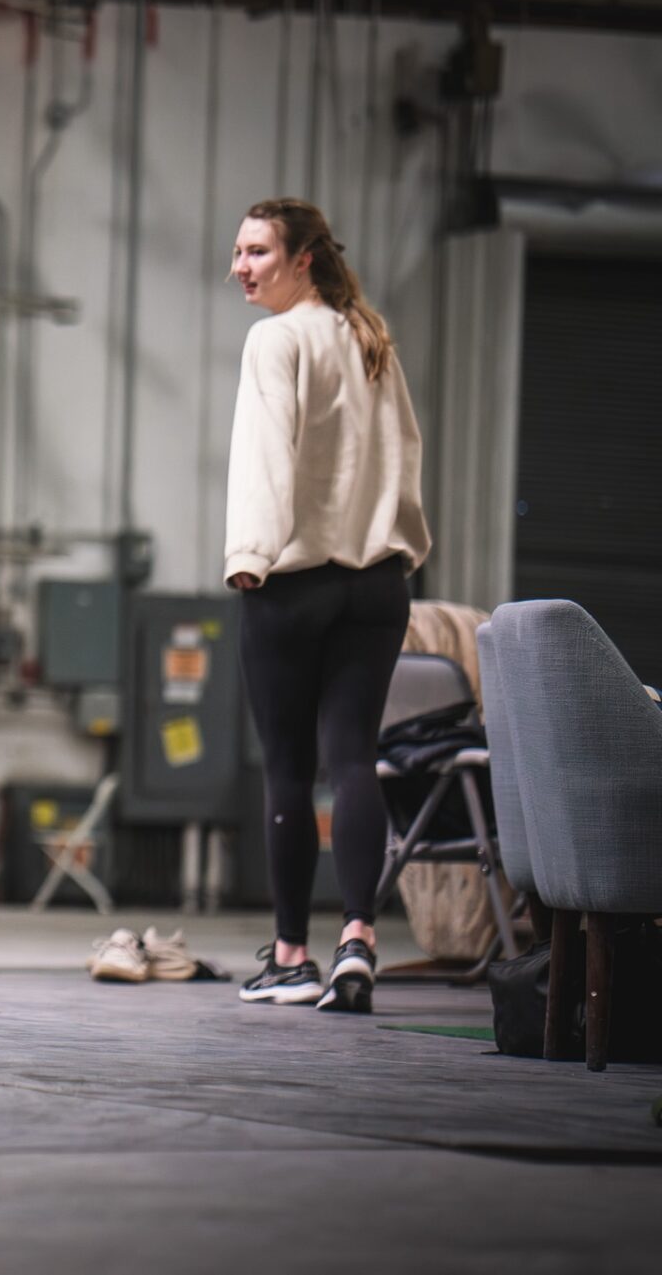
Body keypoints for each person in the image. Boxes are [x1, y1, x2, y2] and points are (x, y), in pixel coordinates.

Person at [223, 198, 431, 1014]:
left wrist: (250, 553)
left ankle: (290, 956)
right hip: (378, 582)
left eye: (257, 252)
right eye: (238, 252)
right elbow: (406, 452)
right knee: (353, 759)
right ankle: (359, 939)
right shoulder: (370, 337)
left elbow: (266, 453)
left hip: (296, 579)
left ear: (303, 258)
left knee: (287, 766)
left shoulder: (275, 340)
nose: (240, 267)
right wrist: (404, 543)